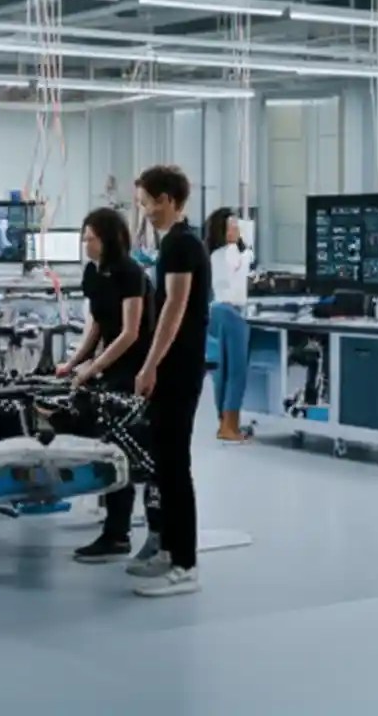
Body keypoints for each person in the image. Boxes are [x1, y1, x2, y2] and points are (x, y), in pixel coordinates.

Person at [54, 207, 159, 564]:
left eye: (91, 238)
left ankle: (119, 533)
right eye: (84, 238)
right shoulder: (93, 273)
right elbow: (97, 327)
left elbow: (130, 332)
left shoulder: (130, 273)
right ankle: (114, 527)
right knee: (103, 443)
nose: (86, 244)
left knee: (126, 449)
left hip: (137, 368)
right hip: (111, 365)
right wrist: (74, 363)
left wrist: (93, 368)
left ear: (108, 239)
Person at [130, 165, 210, 598]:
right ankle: (169, 551)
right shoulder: (172, 245)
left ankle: (185, 564)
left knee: (175, 466)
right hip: (171, 368)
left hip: (178, 370)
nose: (144, 212)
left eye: (146, 203)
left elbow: (174, 309)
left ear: (167, 200)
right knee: (162, 463)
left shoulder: (181, 245)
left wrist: (150, 364)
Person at [205, 208, 254, 443]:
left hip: (215, 311)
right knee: (236, 372)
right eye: (232, 225)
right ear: (222, 230)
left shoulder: (213, 254)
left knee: (220, 373)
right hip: (233, 314)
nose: (237, 229)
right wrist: (246, 249)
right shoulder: (234, 251)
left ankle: (223, 423)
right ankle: (230, 427)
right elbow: (248, 262)